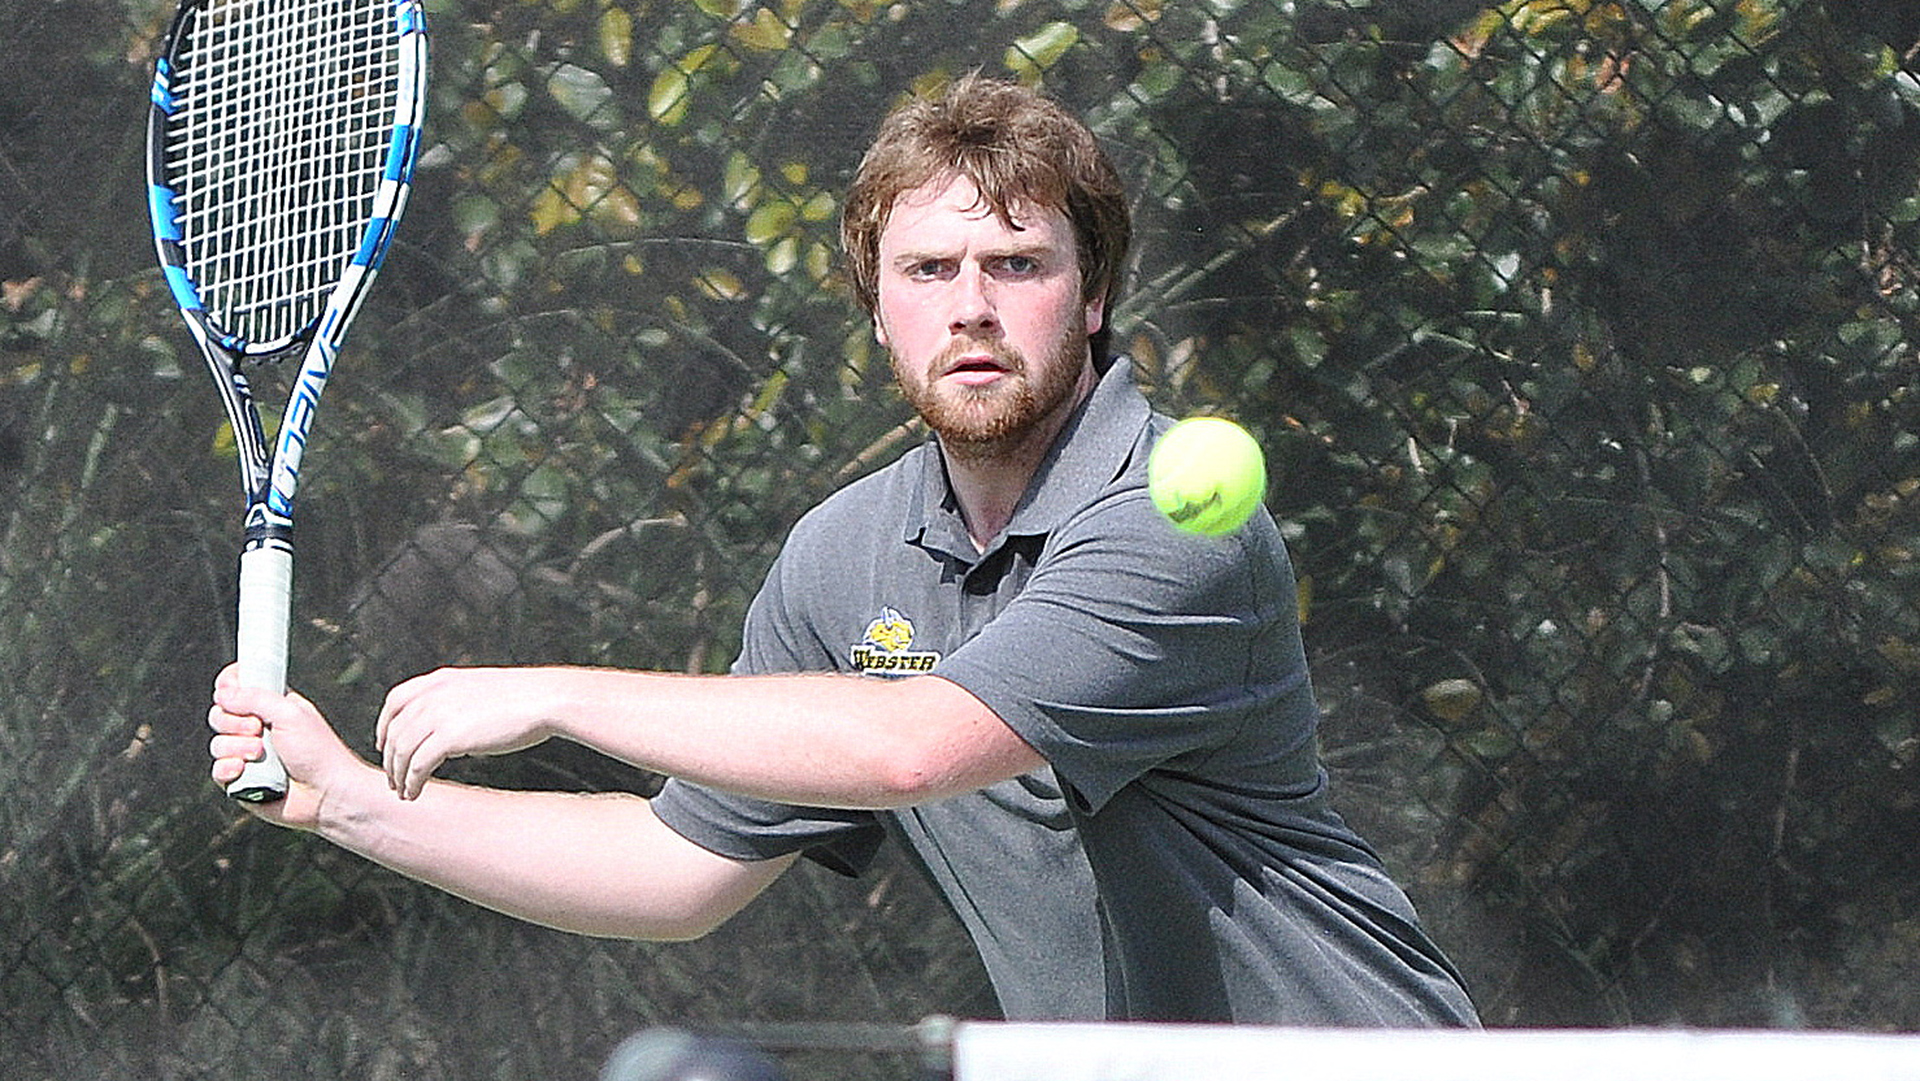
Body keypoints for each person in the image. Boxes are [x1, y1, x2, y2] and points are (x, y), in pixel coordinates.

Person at [207, 73, 1479, 1027]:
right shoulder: (845, 555)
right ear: (877, 305)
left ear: (1092, 300)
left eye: (1017, 263)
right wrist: (350, 804)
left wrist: (549, 693)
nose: (971, 303)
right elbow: (676, 869)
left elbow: (913, 744)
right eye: (927, 266)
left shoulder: (1167, 519)